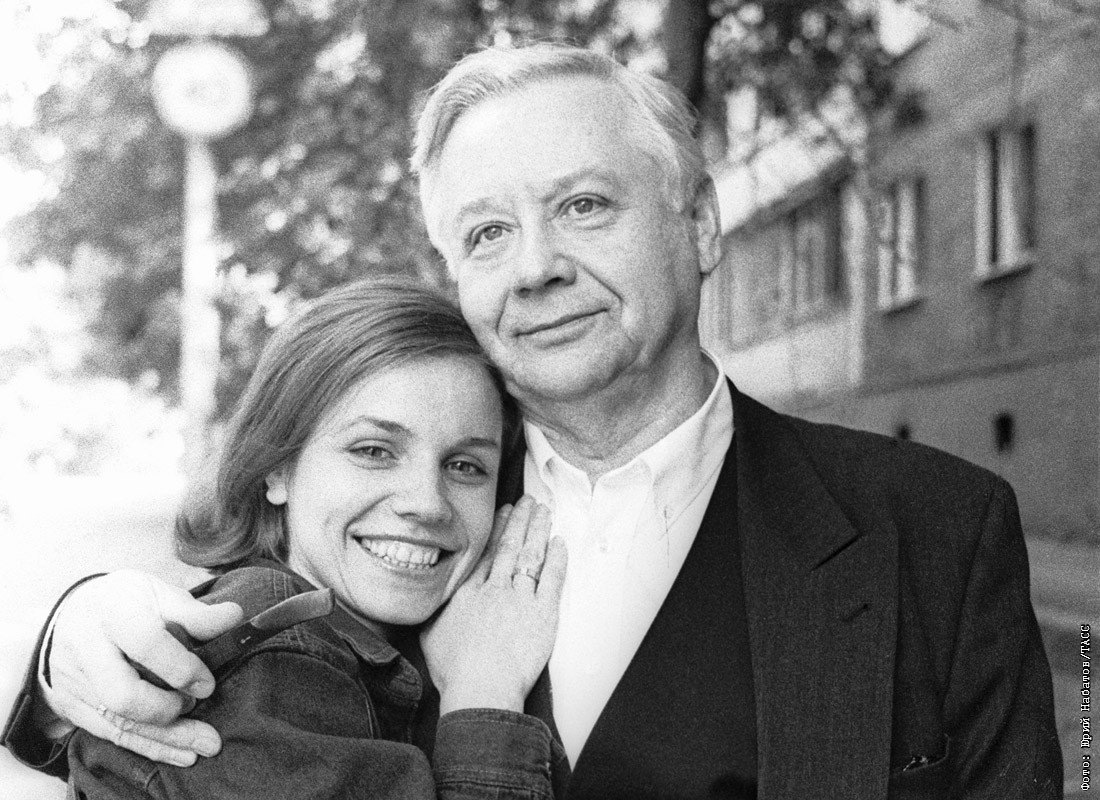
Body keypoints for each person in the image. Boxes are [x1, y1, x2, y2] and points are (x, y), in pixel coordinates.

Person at [4, 43, 1062, 799]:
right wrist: (74, 637)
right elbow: (211, 689)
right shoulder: (405, 526)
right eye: (487, 232)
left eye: (583, 206)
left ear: (699, 223)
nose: (537, 266)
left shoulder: (938, 528)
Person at [59, 276, 568, 798]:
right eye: (373, 451)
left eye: (464, 466)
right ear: (277, 467)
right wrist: (485, 693)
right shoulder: (272, 661)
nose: (428, 503)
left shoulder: (391, 642)